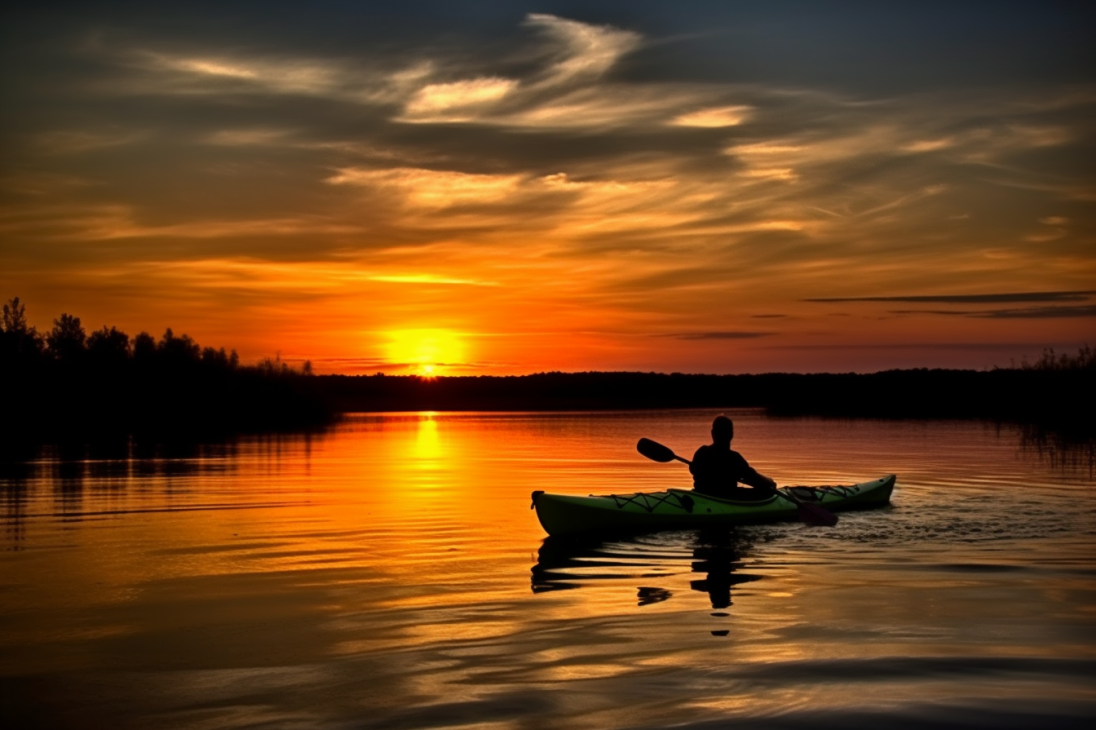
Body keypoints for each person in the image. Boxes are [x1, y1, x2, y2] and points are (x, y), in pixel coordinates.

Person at [690, 415, 777, 500]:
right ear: (731, 434)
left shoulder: (701, 452)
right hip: (726, 497)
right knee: (765, 492)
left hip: (701, 495)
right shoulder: (734, 458)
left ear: (712, 433)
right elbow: (754, 479)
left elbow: (692, 470)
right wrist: (769, 482)